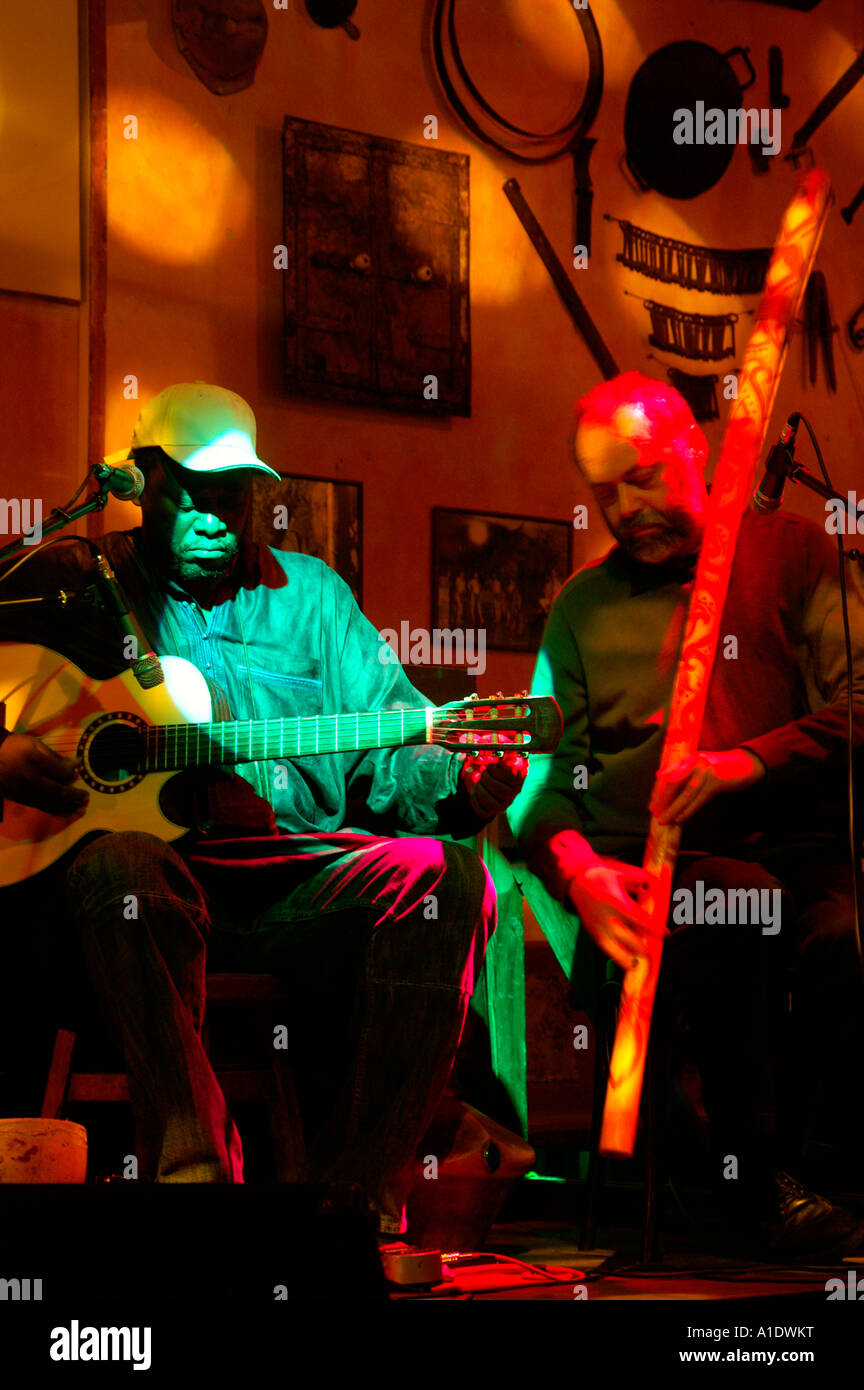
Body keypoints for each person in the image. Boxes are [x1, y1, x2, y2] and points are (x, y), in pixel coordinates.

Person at [0, 382, 526, 1235]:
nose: (215, 517)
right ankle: (197, 1182)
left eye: (233, 496)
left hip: (290, 875)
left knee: (449, 878)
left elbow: (388, 754)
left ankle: (359, 1200)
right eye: (192, 496)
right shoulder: (81, 586)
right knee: (123, 865)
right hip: (153, 879)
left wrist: (461, 786)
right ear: (142, 486)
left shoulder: (312, 598)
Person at [508, 370, 864, 1258]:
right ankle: (754, 1185)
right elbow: (541, 788)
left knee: (845, 941)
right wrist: (581, 872)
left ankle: (819, 1174)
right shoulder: (584, 607)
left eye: (643, 477)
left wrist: (748, 761)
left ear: (696, 455)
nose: (623, 508)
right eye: (603, 491)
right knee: (733, 907)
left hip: (801, 842)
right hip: (656, 864)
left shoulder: (792, 552)